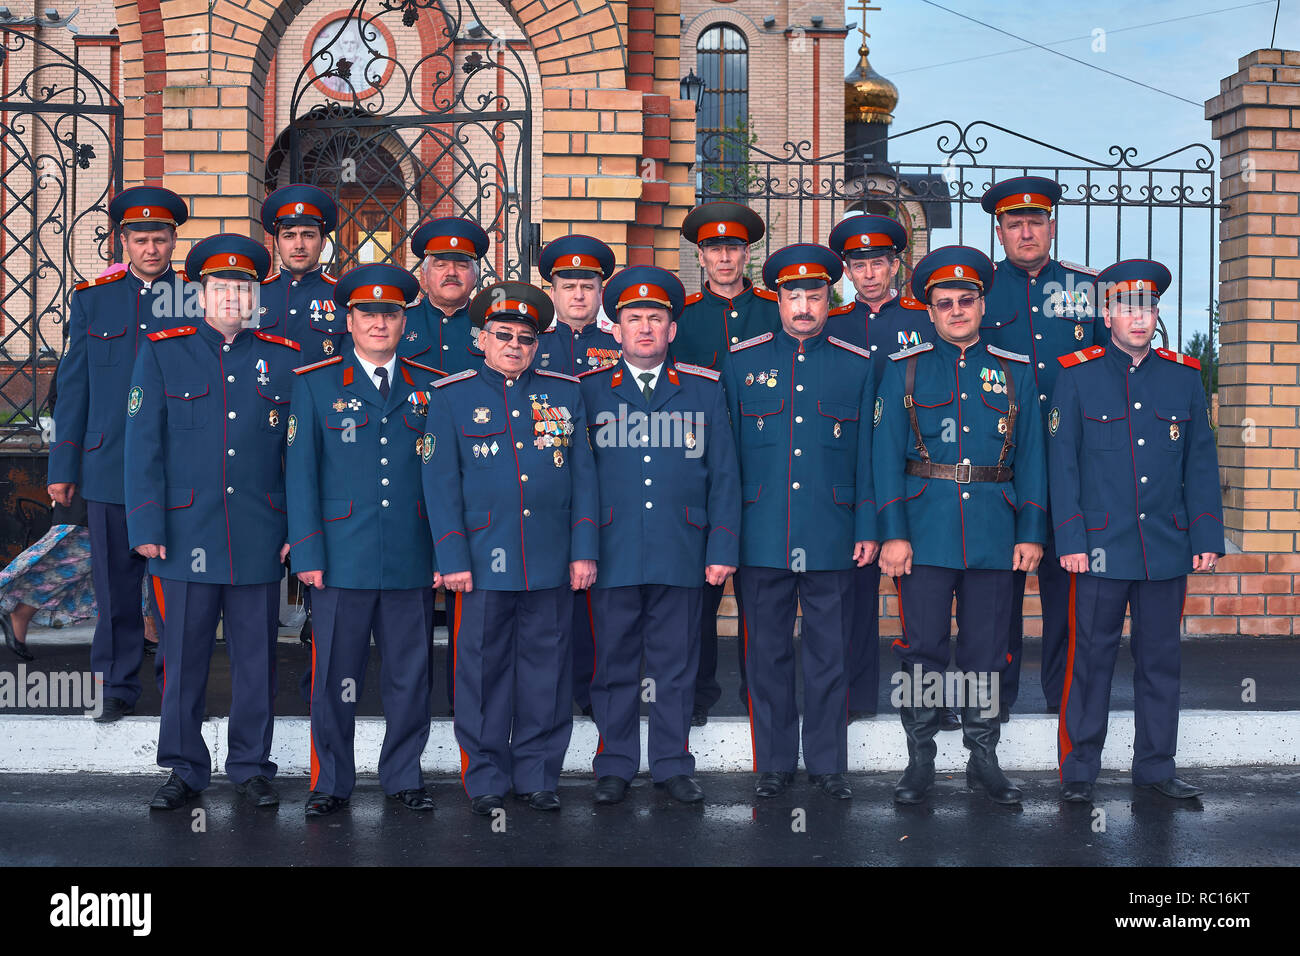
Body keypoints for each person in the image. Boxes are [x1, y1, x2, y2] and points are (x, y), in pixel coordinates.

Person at [124, 234, 298, 810]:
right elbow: (142, 444)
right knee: (182, 657)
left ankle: (251, 765)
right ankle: (182, 766)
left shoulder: (283, 356)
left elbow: (296, 455)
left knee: (257, 659)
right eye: (221, 287)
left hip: (257, 534)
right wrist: (147, 525)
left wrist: (296, 527)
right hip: (182, 534)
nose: (232, 297)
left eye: (243, 288)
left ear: (256, 296)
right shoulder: (163, 350)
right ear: (201, 293)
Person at [873, 246, 1046, 806]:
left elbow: (1034, 460)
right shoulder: (906, 369)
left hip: (996, 529)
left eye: (965, 300)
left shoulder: (1013, 370)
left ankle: (983, 758)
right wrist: (893, 533)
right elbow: (883, 459)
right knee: (921, 648)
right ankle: (919, 759)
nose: (955, 310)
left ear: (980, 303)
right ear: (929, 310)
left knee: (987, 650)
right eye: (943, 303)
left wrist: (1031, 531)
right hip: (923, 530)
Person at [1051, 259, 1224, 802]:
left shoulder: (1183, 376)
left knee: (1160, 663)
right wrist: (1072, 540)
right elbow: (1064, 465)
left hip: (1166, 549)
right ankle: (1080, 770)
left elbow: (1200, 463)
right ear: (1107, 312)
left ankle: (1156, 768)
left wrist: (1205, 537)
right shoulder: (1077, 375)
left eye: (1147, 306)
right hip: (1100, 549)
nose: (1139, 317)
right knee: (1091, 661)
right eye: (1127, 306)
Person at [423, 281, 598, 816]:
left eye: (526, 337)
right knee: (480, 675)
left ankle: (539, 775)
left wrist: (583, 549)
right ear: (481, 338)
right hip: (479, 563)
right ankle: (486, 778)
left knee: (547, 674)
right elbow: (439, 483)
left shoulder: (566, 394)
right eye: (504, 334)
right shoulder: (451, 397)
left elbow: (585, 478)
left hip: (549, 559)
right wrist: (451, 559)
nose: (516, 344)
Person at [286, 263, 443, 817]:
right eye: (367, 313)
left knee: (410, 674)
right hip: (339, 555)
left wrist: (444, 553)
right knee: (334, 675)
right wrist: (306, 550)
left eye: (391, 313)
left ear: (404, 320)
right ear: (347, 320)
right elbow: (300, 474)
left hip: (411, 553)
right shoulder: (315, 383)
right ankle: (331, 781)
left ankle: (403, 775)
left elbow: (444, 475)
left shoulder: (431, 385)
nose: (379, 323)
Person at [721, 243, 877, 801]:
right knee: (766, 654)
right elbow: (726, 460)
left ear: (829, 300)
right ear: (778, 299)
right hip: (760, 533)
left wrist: (867, 527)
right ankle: (775, 763)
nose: (804, 304)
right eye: (793, 294)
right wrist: (726, 534)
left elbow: (868, 457)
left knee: (828, 652)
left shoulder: (857, 364)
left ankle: (829, 765)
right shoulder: (741, 362)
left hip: (832, 533)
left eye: (815, 294)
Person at [580, 266, 741, 805]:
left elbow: (723, 475)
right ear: (617, 330)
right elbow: (579, 478)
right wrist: (583, 549)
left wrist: (721, 546)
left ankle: (673, 762)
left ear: (672, 330)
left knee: (677, 665)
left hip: (683, 550)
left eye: (655, 318)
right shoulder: (589, 393)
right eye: (633, 319)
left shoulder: (703, 389)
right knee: (614, 664)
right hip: (613, 550)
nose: (645, 328)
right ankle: (616, 763)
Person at [47, 186, 190, 723]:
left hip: (180, 470)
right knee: (115, 586)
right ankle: (115, 686)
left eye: (160, 238)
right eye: (140, 239)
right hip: (109, 466)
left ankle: (179, 684)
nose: (151, 248)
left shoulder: (196, 298)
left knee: (179, 588)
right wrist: (64, 464)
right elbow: (75, 387)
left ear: (174, 240)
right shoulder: (94, 299)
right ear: (122, 242)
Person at [980, 176, 1103, 720]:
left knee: (1068, 594)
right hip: (999, 469)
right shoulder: (978, 288)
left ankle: (1064, 702)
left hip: (1071, 468)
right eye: (1014, 224)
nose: (1026, 232)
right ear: (999, 231)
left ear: (1052, 226)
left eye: (1036, 222)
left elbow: (1111, 371)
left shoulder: (1089, 289)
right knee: (995, 598)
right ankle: (995, 706)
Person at [824, 213, 942, 725]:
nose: (869, 273)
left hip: (913, 474)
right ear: (846, 271)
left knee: (923, 603)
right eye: (858, 264)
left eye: (878, 262)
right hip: (850, 470)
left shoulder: (924, 320)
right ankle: (855, 699)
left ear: (896, 265)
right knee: (851, 593)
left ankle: (930, 703)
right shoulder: (833, 324)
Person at [676, 201, 779, 724]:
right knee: (699, 596)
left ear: (746, 254)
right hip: (701, 473)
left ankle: (757, 699)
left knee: (760, 599)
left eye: (733, 248)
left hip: (764, 472)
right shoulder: (684, 319)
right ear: (700, 254)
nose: (724, 257)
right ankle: (697, 696)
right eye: (715, 248)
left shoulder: (771, 309)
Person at [535, 235, 620, 718]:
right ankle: (549, 696)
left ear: (601, 290)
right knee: (548, 606)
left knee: (595, 606)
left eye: (588, 286)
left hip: (602, 492)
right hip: (545, 494)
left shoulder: (616, 346)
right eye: (569, 286)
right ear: (553, 290)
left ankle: (592, 695)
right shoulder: (534, 345)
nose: (579, 296)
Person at [258, 184, 342, 358]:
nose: (299, 245)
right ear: (276, 243)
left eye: (308, 235)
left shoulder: (342, 297)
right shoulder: (254, 295)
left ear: (323, 242)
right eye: (289, 236)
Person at [401, 217, 489, 371]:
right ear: (425, 274)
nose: (452, 273)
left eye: (462, 265)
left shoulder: (490, 324)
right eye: (441, 265)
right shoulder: (401, 321)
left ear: (475, 276)